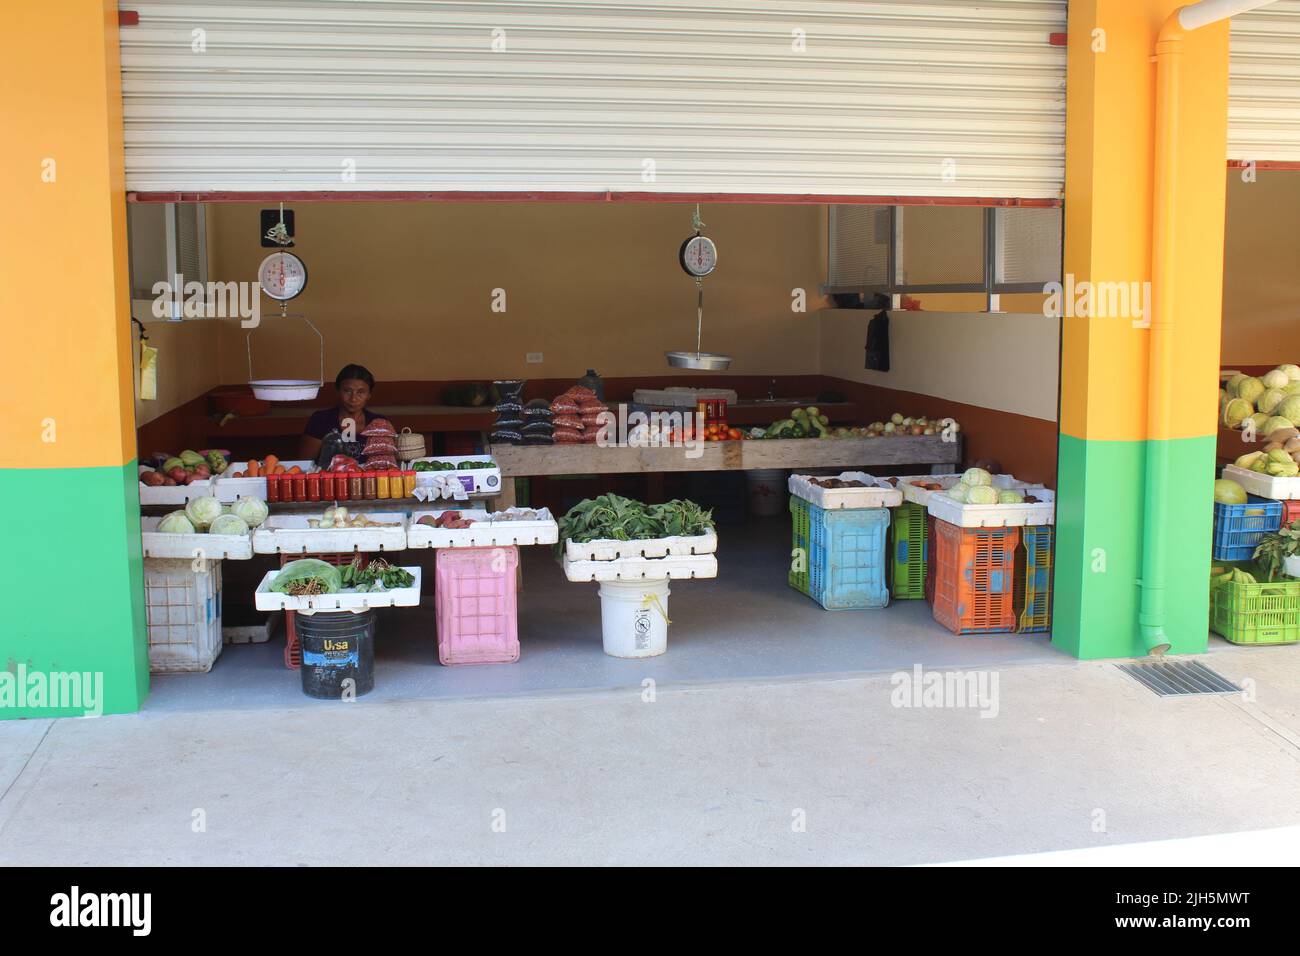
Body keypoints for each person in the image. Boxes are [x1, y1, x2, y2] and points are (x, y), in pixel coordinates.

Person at [298, 364, 389, 461]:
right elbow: (305, 464)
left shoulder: (379, 423)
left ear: (369, 395)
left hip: (370, 476)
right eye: (347, 391)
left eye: (360, 392)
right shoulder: (321, 420)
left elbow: (387, 462)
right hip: (329, 476)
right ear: (338, 392)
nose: (353, 399)